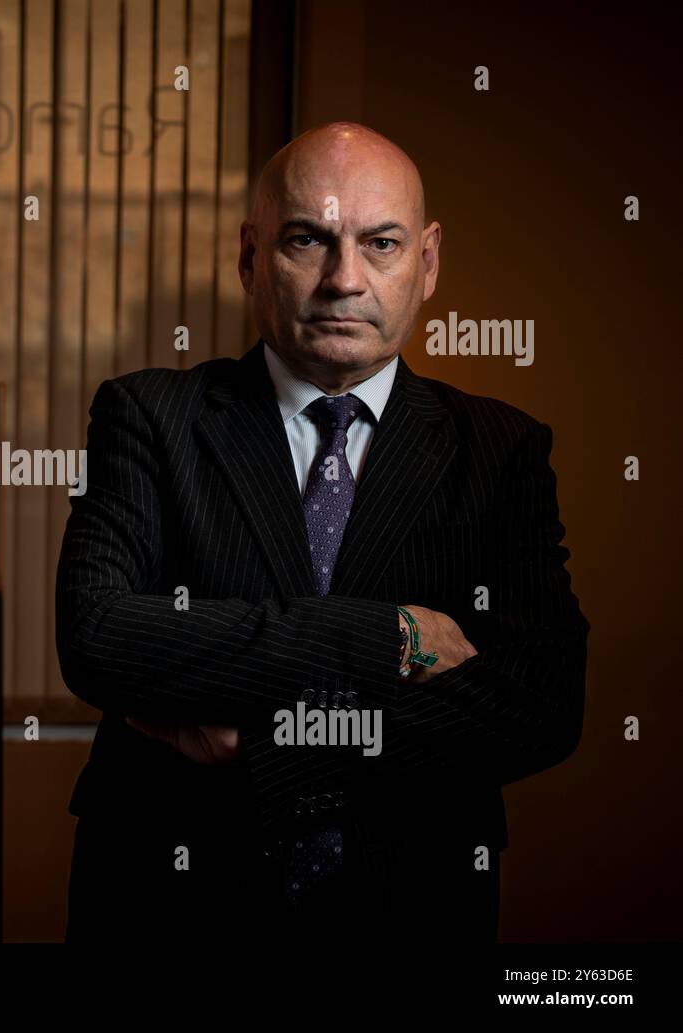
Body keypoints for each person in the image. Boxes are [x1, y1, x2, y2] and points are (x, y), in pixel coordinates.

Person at [55, 122, 588, 943]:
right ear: (250, 256)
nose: (346, 280)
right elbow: (100, 634)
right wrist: (384, 635)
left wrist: (278, 743)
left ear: (429, 261)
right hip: (169, 901)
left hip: (412, 906)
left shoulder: (501, 449)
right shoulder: (149, 416)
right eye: (309, 239)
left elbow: (539, 704)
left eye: (381, 243)